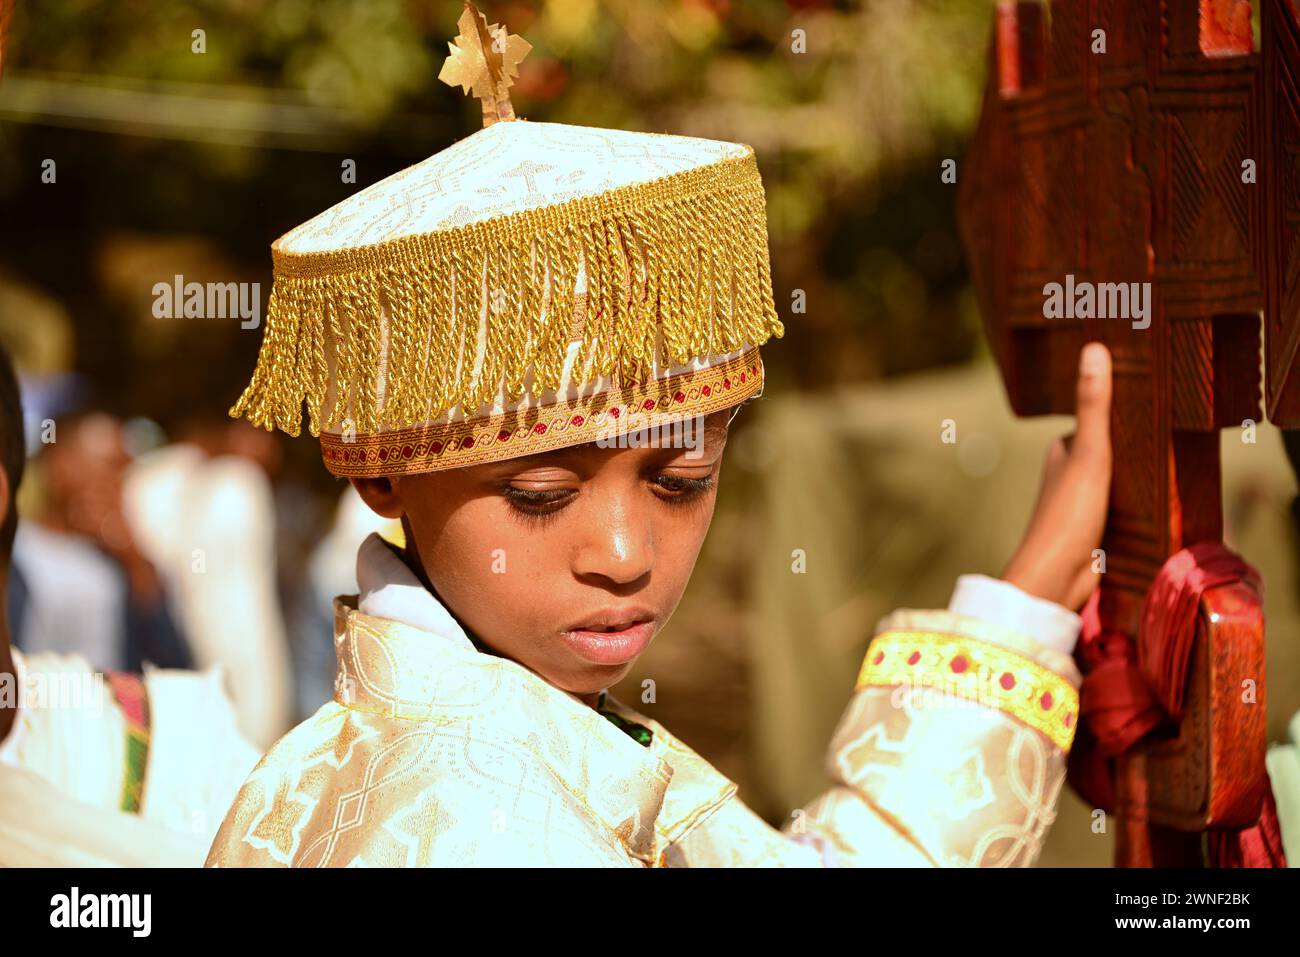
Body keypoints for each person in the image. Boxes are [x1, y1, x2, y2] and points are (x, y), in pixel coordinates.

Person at [206, 2, 1109, 867]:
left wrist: (1027, 597)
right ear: (383, 474)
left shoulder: (472, 741)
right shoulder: (480, 822)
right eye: (542, 496)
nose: (626, 553)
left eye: (681, 478)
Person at [0, 345, 259, 866]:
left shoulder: (186, 756)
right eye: (99, 464)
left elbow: (169, 654)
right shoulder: (31, 555)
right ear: (54, 463)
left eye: (121, 467)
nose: (112, 481)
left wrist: (135, 562)